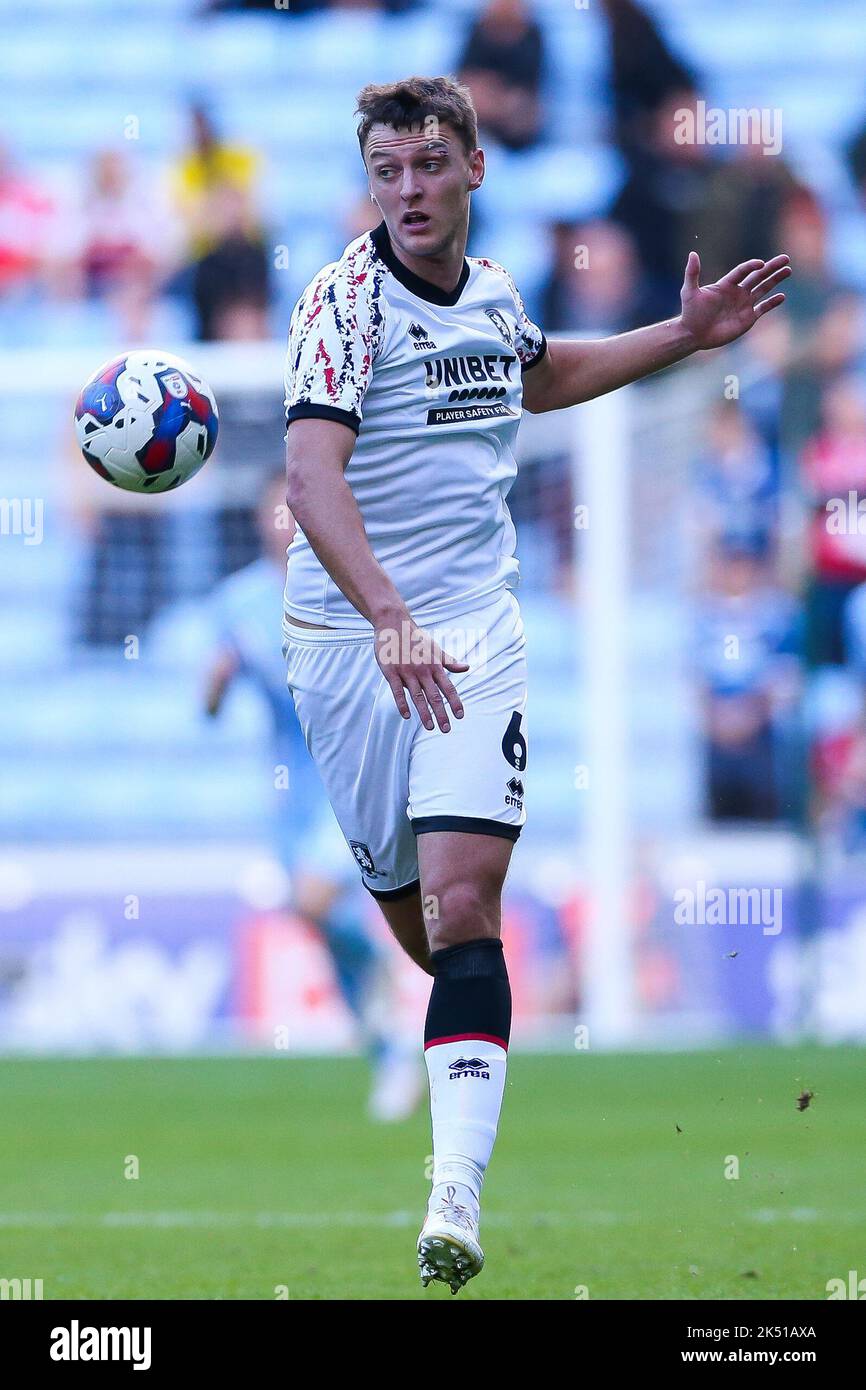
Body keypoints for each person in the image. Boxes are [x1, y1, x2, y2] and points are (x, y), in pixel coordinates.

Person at [281, 74, 792, 1293]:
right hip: (348, 644)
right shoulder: (340, 306)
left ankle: (451, 1195)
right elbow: (309, 481)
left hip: (470, 632)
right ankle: (451, 1096)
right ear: (373, 183)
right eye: (387, 171)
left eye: (427, 165)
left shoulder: (496, 295)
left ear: (472, 169)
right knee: (417, 927)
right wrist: (385, 619)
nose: (407, 189)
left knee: (464, 910)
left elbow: (536, 375)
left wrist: (681, 335)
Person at [204, 475, 422, 1122]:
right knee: (314, 920)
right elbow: (211, 705)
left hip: (351, 770)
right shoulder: (238, 601)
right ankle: (389, 1051)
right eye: (272, 509)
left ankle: (390, 975)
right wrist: (216, 683)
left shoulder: (346, 584)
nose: (284, 520)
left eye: (292, 507)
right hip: (291, 788)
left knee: (313, 900)